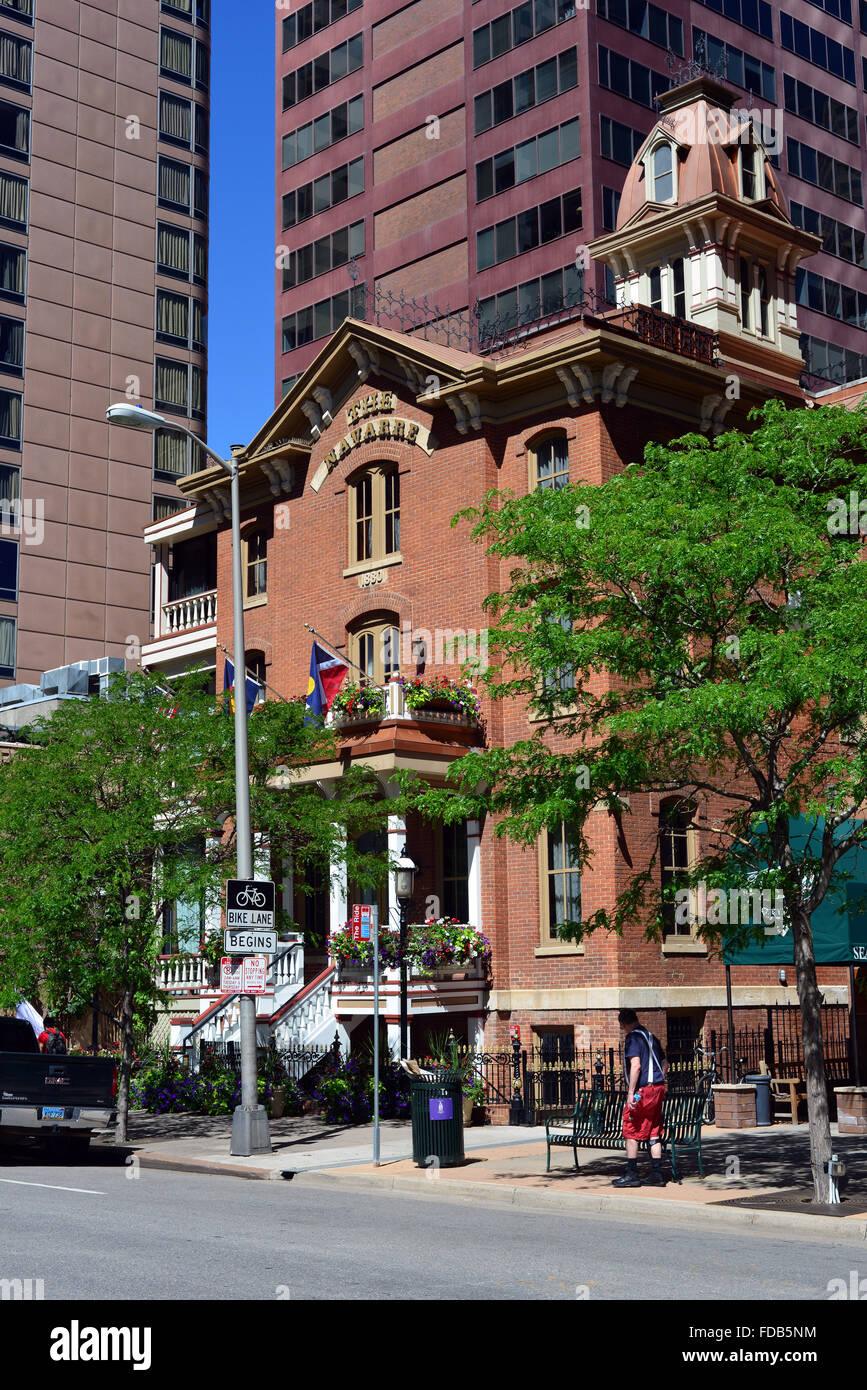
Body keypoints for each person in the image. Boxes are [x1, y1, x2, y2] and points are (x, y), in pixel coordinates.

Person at [612, 1008, 667, 1187]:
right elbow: (665, 1063)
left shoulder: (633, 1038)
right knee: (654, 1130)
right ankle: (657, 1174)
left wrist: (630, 1092)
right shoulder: (651, 1037)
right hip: (658, 1088)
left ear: (623, 1023)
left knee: (630, 1128)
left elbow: (635, 1066)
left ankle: (632, 1173)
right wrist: (659, 1080)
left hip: (643, 1091)